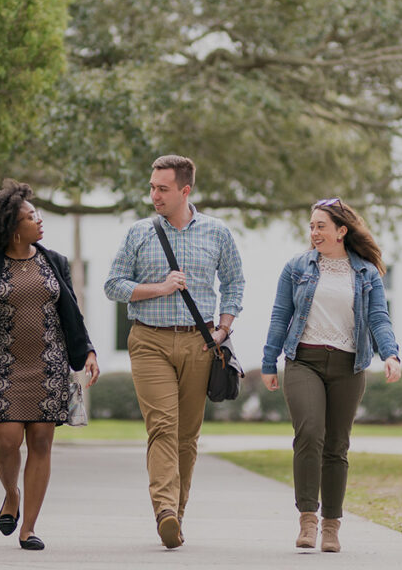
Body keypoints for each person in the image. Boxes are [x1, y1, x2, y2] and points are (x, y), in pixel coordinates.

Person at [104, 155, 245, 549]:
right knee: (163, 426)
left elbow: (234, 284)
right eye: (152, 187)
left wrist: (223, 329)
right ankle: (164, 509)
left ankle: (176, 516)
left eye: (162, 189)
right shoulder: (139, 232)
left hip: (200, 343)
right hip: (149, 340)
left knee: (187, 436)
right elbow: (113, 284)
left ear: (185, 190)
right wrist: (160, 288)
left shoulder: (217, 233)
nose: (154, 195)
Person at [261, 198, 401, 553]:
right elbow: (280, 315)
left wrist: (390, 354)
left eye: (320, 226)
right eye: (311, 226)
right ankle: (308, 518)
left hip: (348, 366)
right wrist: (268, 361)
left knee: (337, 446)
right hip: (303, 361)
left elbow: (379, 318)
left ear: (341, 231)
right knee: (310, 433)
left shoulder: (366, 273)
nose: (314, 232)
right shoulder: (297, 267)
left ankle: (331, 526)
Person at [0, 180, 100, 551]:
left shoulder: (54, 262)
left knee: (41, 441)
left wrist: (88, 351)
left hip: (49, 366)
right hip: (6, 367)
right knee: (6, 440)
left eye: (37, 214)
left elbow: (71, 313)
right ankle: (11, 493)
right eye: (30, 216)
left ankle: (28, 528)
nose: (39, 220)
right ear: (12, 227)